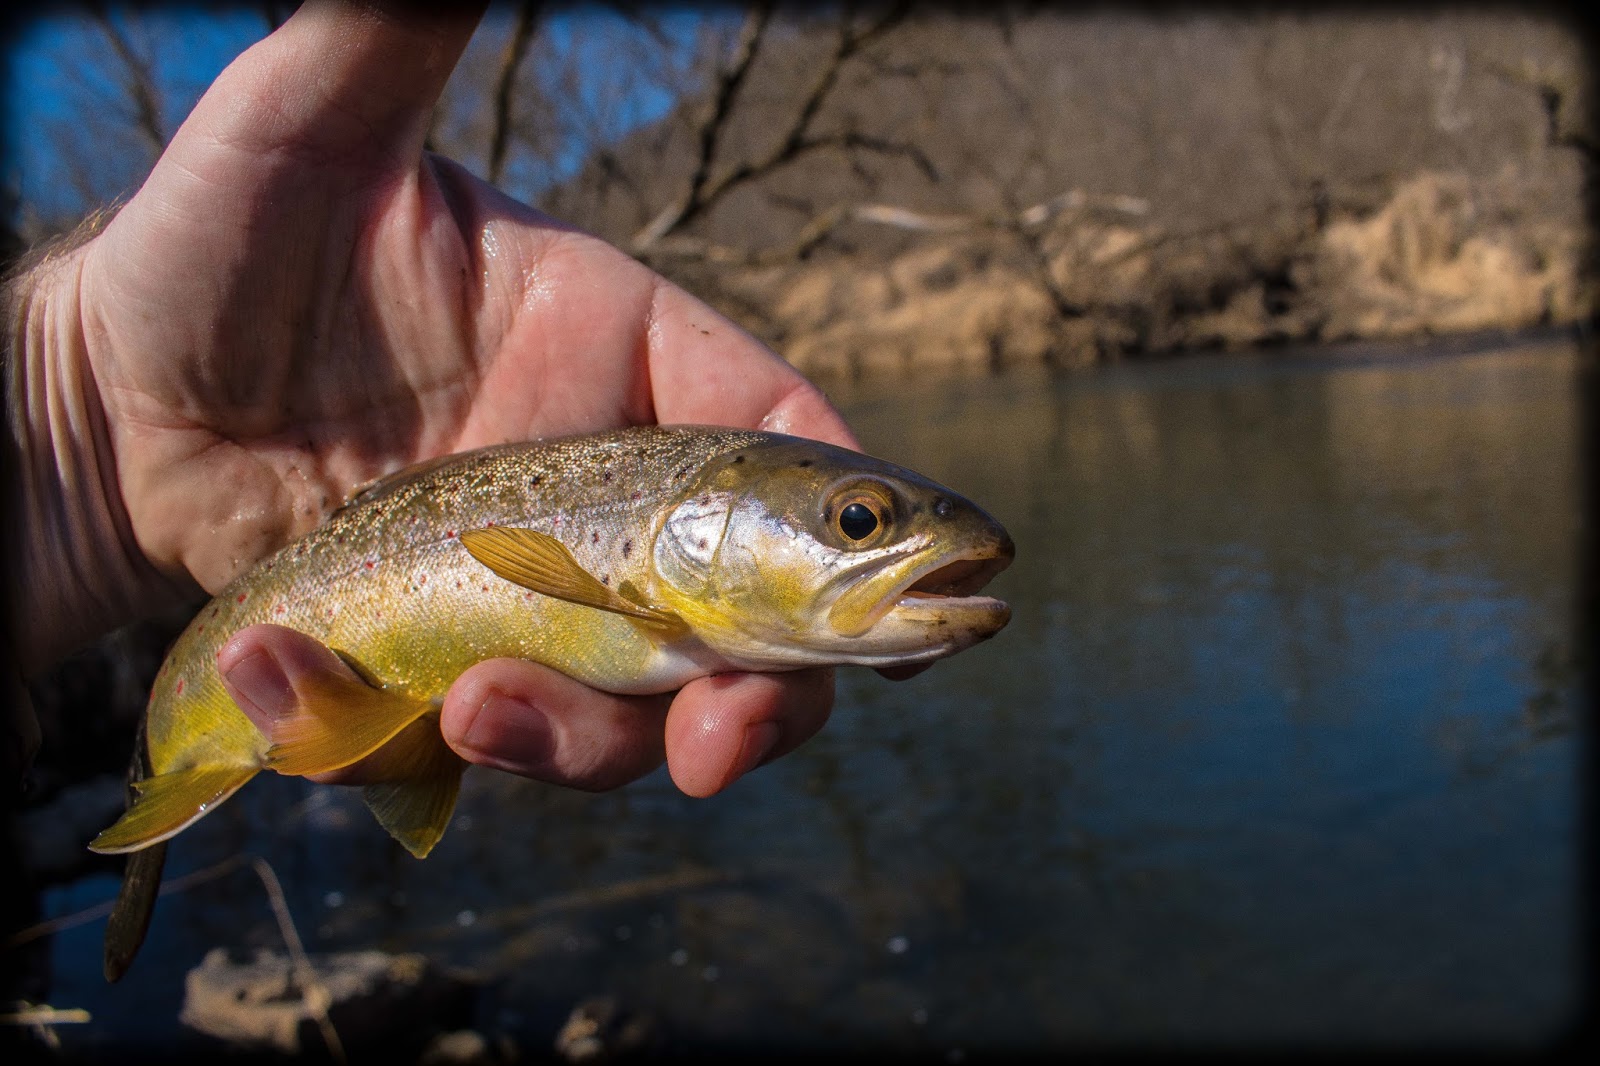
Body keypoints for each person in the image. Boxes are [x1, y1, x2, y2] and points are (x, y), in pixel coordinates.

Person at [3, 1, 890, 803]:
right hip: (183, 692)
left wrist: (77, 419)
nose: (864, 532)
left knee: (464, 723)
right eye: (857, 522)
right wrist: (77, 398)